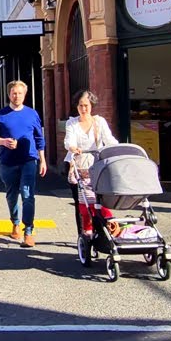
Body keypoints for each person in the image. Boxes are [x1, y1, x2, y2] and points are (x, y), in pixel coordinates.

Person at [0, 81, 47, 247]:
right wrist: (3, 142)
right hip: (8, 162)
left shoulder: (32, 114)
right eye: (14, 93)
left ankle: (28, 230)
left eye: (20, 93)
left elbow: (39, 138)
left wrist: (42, 160)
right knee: (12, 196)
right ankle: (15, 222)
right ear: (9, 94)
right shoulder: (1, 115)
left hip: (29, 159)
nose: (17, 96)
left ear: (25, 94)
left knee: (28, 195)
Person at [63, 90, 119, 234]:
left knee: (99, 199)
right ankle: (83, 234)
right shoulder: (72, 123)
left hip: (96, 165)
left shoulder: (99, 122)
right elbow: (69, 140)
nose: (83, 109)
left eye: (86, 105)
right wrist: (72, 147)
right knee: (81, 202)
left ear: (91, 105)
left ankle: (101, 230)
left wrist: (117, 149)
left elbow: (109, 139)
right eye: (80, 105)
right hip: (77, 165)